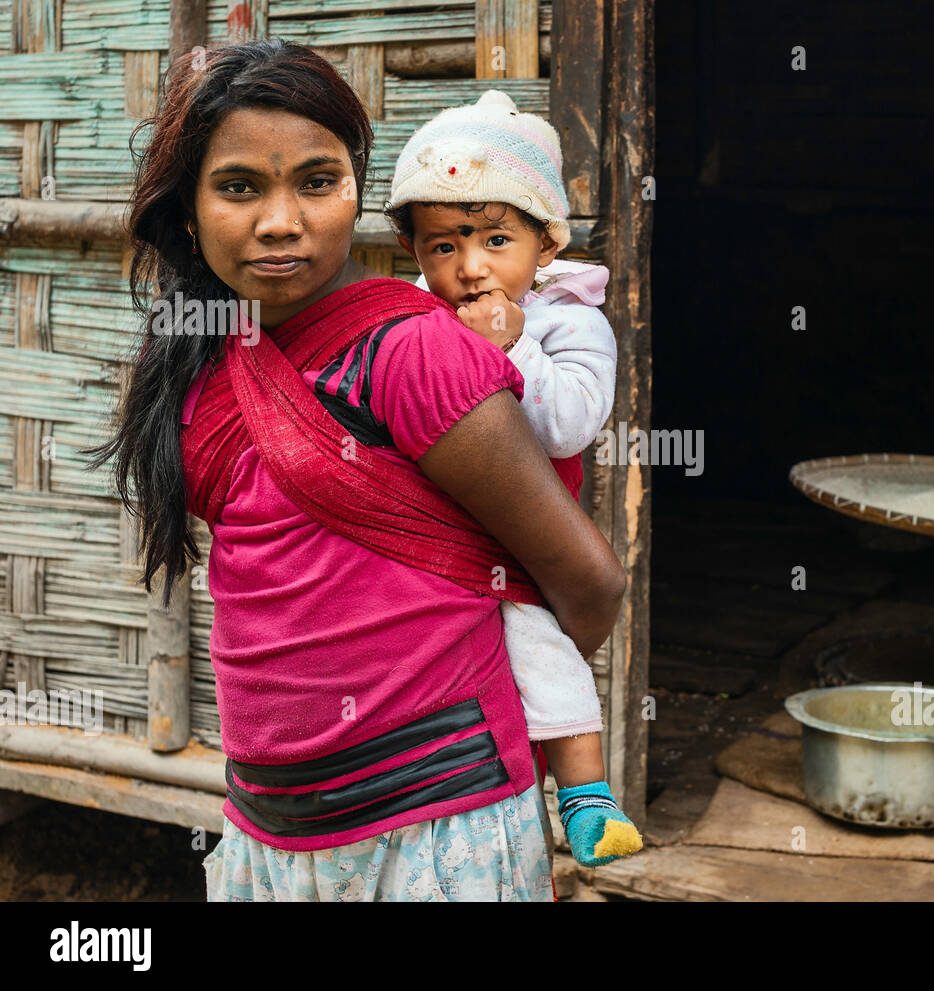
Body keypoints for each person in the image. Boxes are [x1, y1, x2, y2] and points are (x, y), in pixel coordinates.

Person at [86, 39, 625, 901]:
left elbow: (587, 581)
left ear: (356, 195)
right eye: (238, 187)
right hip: (272, 824)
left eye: (317, 181)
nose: (280, 220)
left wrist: (478, 691)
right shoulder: (201, 372)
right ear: (187, 210)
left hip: (440, 825)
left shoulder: (412, 351)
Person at [383, 90, 641, 868]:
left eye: (496, 239)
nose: (469, 268)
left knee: (545, 651)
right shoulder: (409, 317)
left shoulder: (572, 323)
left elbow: (568, 424)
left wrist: (513, 345)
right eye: (441, 247)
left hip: (526, 538)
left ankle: (588, 801)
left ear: (547, 242)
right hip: (437, 534)